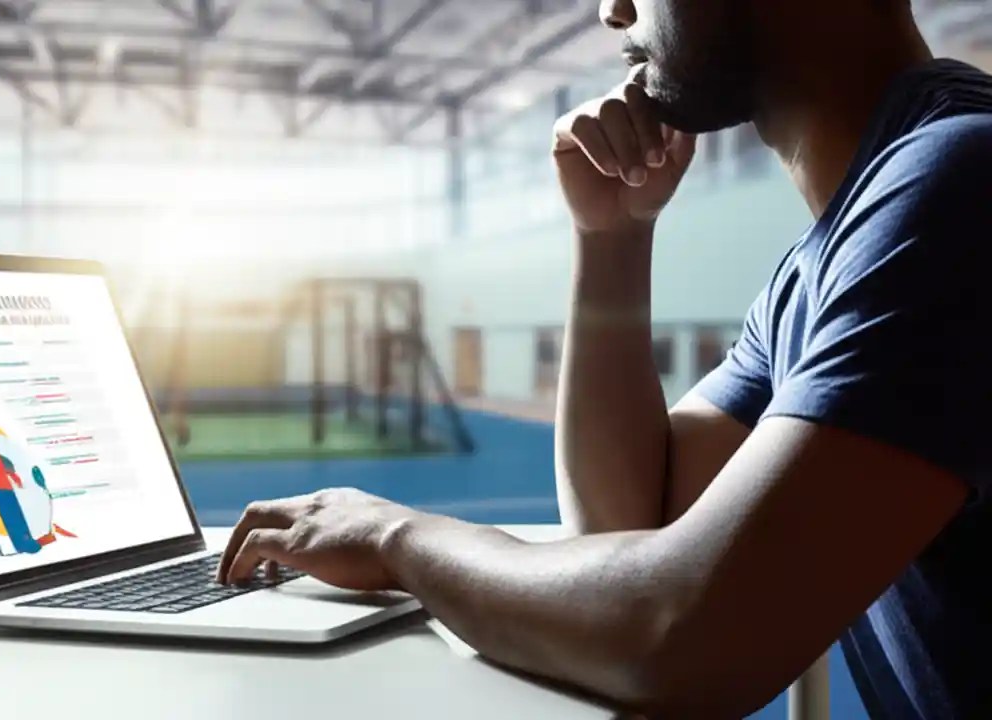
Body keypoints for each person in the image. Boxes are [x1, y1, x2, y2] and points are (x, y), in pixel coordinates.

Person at [216, 0, 992, 716]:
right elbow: (629, 524)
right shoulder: (821, 266)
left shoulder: (959, 184)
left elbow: (680, 635)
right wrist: (612, 237)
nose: (612, 10)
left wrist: (395, 539)